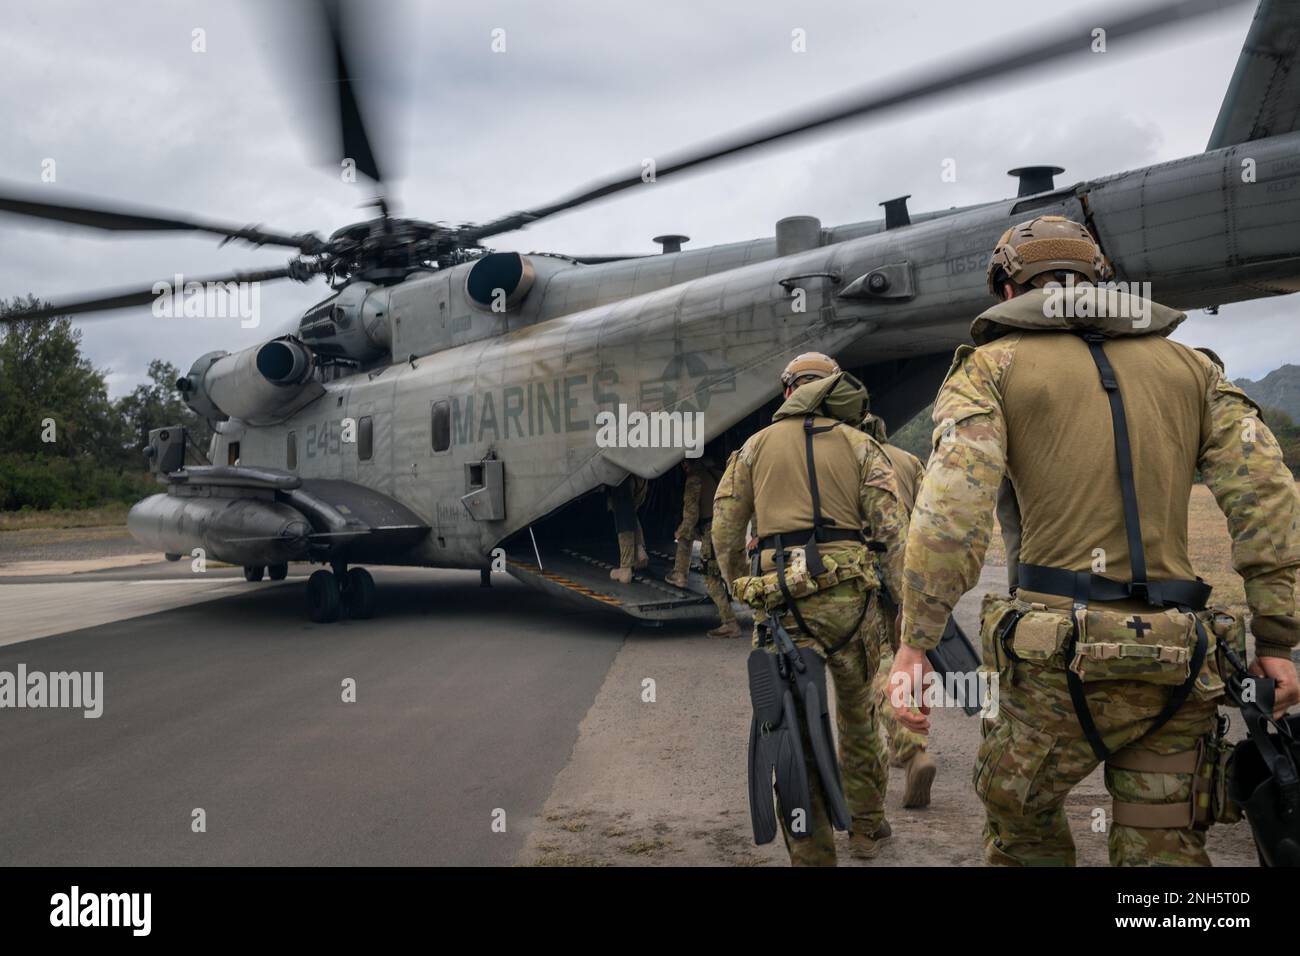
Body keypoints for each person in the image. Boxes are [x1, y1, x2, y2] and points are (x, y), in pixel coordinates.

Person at [890, 215, 1300, 866]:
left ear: (1007, 289)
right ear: (1099, 280)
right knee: (1166, 865)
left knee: (1021, 834)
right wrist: (1277, 642)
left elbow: (951, 510)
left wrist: (916, 642)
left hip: (1053, 667)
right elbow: (1269, 498)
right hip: (1178, 662)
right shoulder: (1192, 368)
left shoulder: (990, 368)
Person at [713, 352, 908, 865]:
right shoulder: (863, 446)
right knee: (859, 715)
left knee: (792, 731)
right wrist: (901, 604)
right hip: (850, 605)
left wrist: (740, 584)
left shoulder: (753, 449)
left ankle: (812, 852)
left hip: (780, 606)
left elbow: (725, 529)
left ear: (788, 392)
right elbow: (891, 533)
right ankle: (866, 829)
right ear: (833, 390)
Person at [859, 411, 936, 808]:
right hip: (907, 574)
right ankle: (905, 740)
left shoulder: (855, 459)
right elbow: (928, 516)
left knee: (880, 668)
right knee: (908, 656)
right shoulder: (910, 461)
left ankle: (910, 747)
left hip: (867, 576)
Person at [666, 458, 740, 638]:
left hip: (712, 532)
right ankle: (680, 574)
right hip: (730, 529)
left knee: (710, 577)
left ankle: (730, 623)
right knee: (726, 571)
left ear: (687, 465)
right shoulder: (719, 474)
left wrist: (680, 531)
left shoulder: (694, 479)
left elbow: (691, 515)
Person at [606, 475, 648, 584]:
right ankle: (639, 549)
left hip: (624, 477)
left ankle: (625, 569)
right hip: (642, 479)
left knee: (623, 516)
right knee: (630, 512)